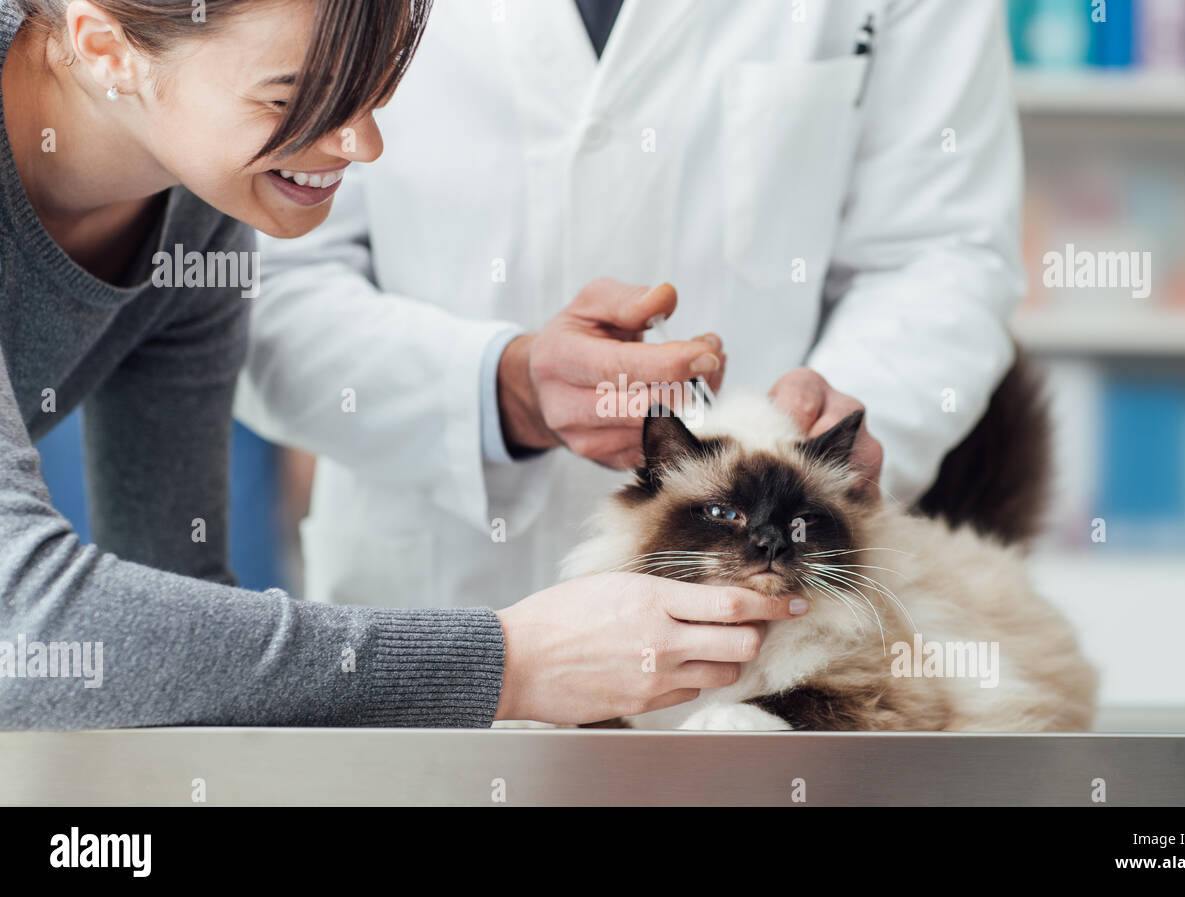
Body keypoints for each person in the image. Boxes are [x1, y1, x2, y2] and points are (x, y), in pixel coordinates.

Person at [0, 0, 803, 730]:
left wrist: (516, 391)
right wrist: (506, 663)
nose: (362, 143)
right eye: (292, 100)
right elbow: (23, 627)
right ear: (105, 47)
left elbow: (177, 601)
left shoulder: (196, 222)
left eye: (370, 89)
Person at [236, 0, 1025, 610]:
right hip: (433, 598)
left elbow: (941, 249)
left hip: (769, 613)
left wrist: (820, 443)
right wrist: (497, 388)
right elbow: (265, 283)